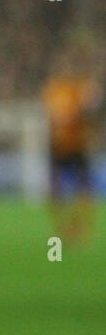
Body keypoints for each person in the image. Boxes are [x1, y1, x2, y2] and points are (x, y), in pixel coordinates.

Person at [42, 46, 100, 244]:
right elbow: (55, 115)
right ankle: (62, 225)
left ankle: (82, 228)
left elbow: (91, 110)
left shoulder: (83, 88)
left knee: (84, 188)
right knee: (55, 188)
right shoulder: (55, 89)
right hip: (58, 146)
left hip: (78, 145)